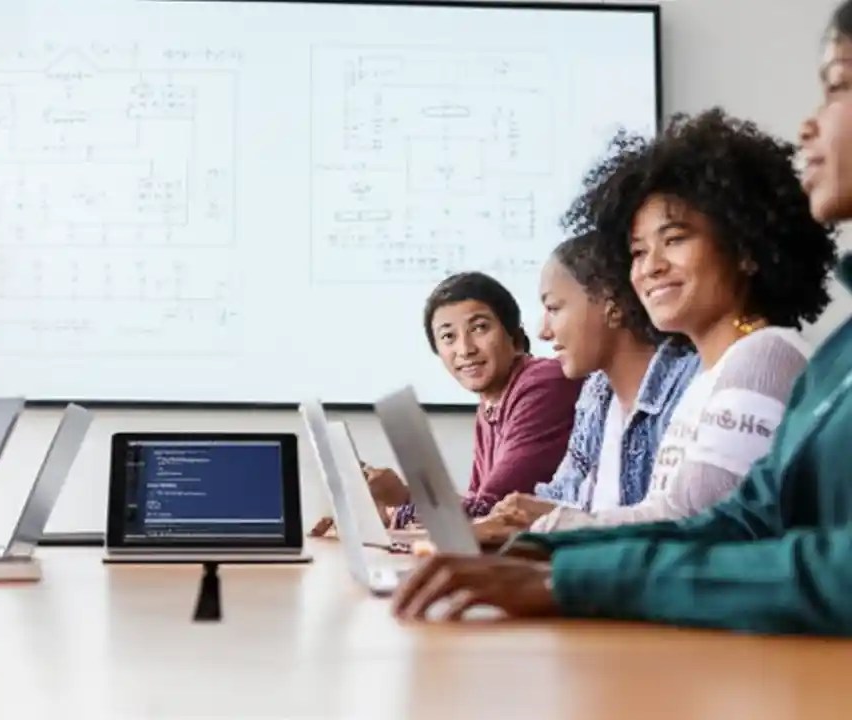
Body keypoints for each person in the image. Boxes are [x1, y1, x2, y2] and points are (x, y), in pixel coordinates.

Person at [390, 76, 851, 635]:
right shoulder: (712, 374)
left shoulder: (763, 356)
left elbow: (708, 523)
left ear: (747, 248)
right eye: (637, 251)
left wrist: (556, 564)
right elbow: (729, 519)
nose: (649, 266)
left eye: (675, 239)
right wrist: (533, 548)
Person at [472, 233, 699, 544]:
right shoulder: (597, 392)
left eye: (553, 308)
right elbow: (565, 497)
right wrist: (520, 515)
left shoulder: (690, 384)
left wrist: (551, 523)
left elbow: (675, 527)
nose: (543, 331)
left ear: (612, 304)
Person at [359, 272, 582, 527]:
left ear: (516, 338)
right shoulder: (490, 402)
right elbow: (475, 508)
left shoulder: (544, 383)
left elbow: (491, 511)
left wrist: (402, 500)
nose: (465, 349)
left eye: (479, 328)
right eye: (448, 337)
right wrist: (381, 518)